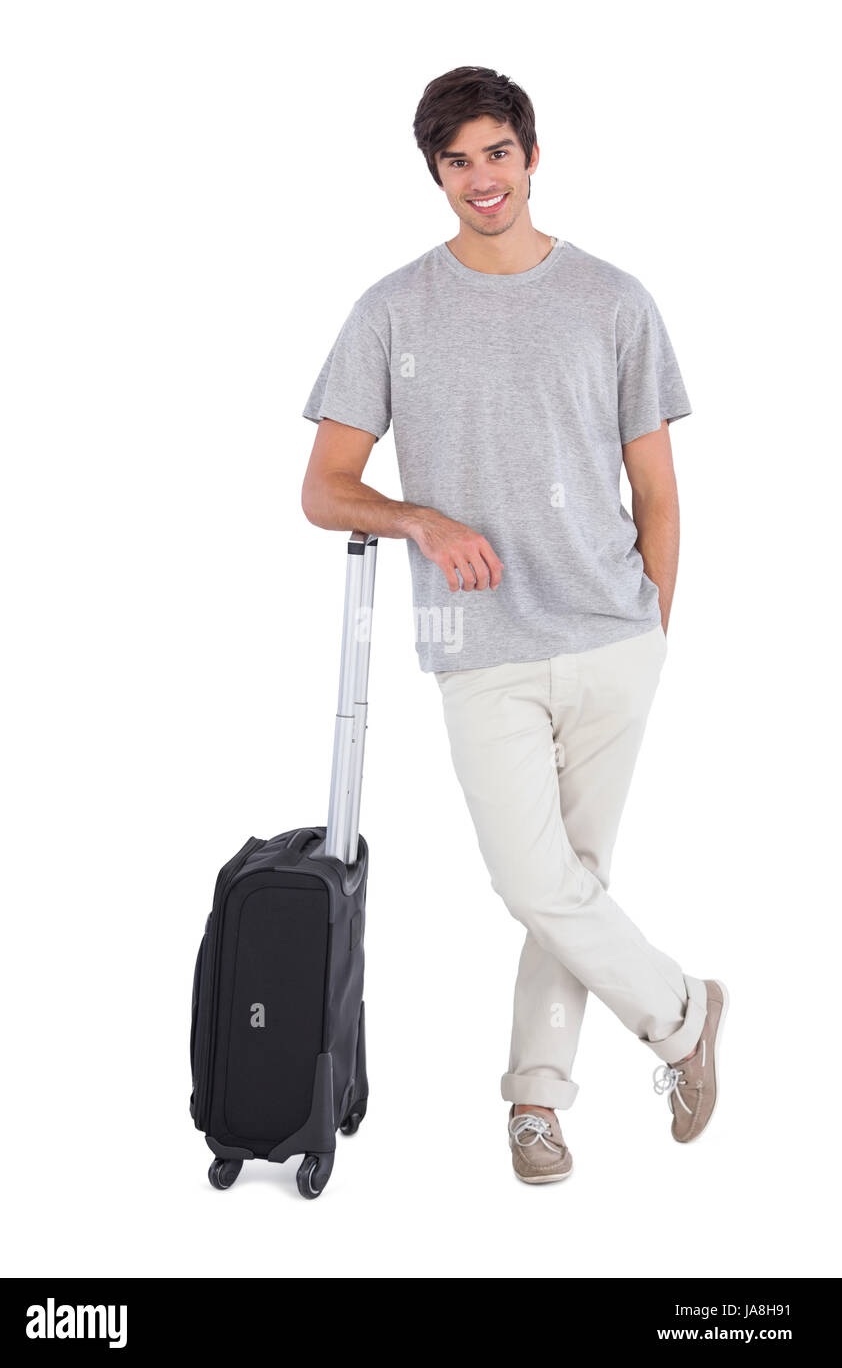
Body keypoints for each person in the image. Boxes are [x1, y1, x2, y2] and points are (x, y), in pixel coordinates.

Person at [300, 65, 728, 1184]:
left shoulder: (613, 299)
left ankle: (534, 1102)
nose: (481, 179)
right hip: (475, 642)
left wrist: (652, 636)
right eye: (457, 161)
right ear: (434, 174)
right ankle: (683, 1015)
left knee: (570, 876)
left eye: (498, 153)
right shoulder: (391, 308)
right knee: (537, 878)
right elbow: (324, 487)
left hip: (610, 636)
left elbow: (661, 495)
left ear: (531, 157)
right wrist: (421, 519)